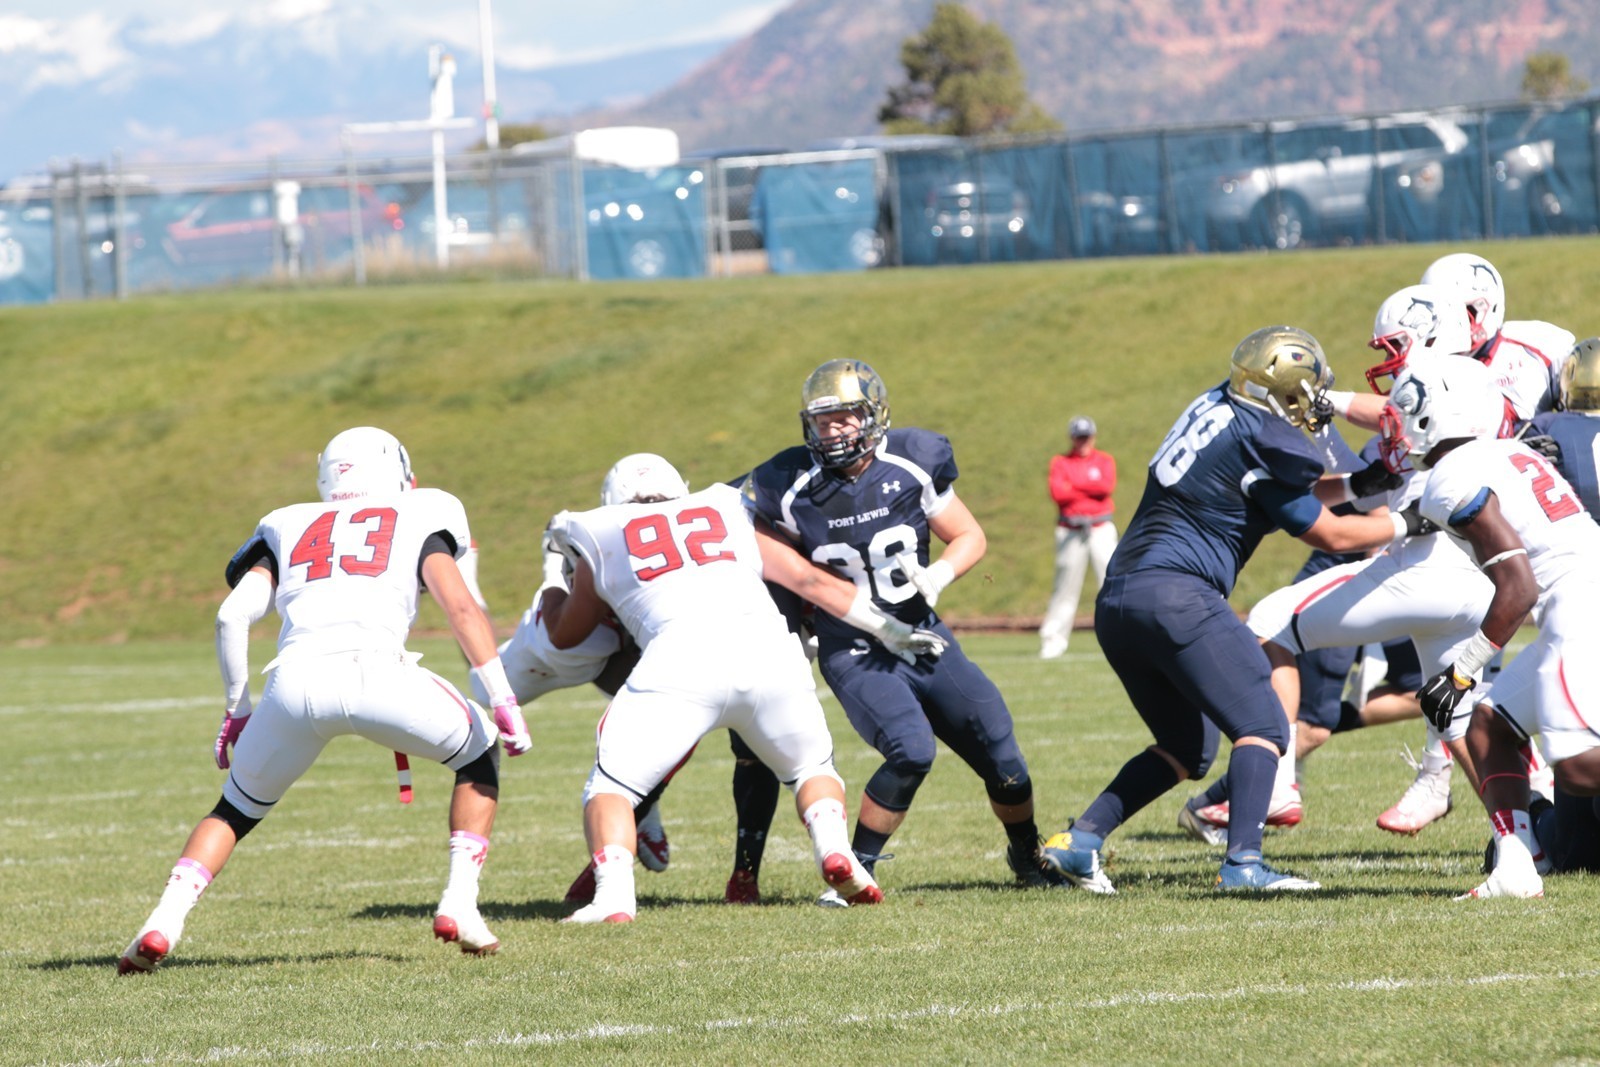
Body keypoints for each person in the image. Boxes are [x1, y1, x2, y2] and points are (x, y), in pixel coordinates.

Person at [118, 427, 530, 974]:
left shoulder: (287, 522)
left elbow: (232, 614)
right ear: (398, 471)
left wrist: (237, 710)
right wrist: (503, 698)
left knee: (234, 810)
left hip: (293, 684)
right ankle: (459, 902)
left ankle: (162, 922)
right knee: (478, 755)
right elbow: (461, 608)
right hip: (378, 675)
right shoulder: (423, 511)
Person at [1042, 326, 1429, 893]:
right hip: (1179, 593)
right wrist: (1409, 521)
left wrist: (1358, 483)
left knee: (1187, 745)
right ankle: (1243, 864)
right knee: (1266, 723)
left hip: (1121, 600)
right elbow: (1332, 536)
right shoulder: (1263, 439)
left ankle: (1080, 842)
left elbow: (1272, 494)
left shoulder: (1218, 408)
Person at [541, 453, 947, 923]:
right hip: (769, 651)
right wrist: (890, 630)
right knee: (810, 767)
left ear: (612, 501)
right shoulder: (724, 507)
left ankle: (613, 896)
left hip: (681, 661)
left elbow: (564, 634)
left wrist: (554, 571)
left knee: (611, 786)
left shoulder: (603, 531)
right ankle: (834, 850)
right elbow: (809, 580)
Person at [744, 359, 1070, 895]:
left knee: (1002, 753)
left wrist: (941, 572)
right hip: (853, 648)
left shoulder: (913, 461)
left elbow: (968, 535)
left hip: (923, 635)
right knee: (911, 749)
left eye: (846, 418)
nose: (834, 431)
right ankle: (856, 870)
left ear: (873, 415)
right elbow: (767, 558)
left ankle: (1026, 856)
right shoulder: (786, 483)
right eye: (824, 421)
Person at [1384, 356, 1600, 899]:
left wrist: (1459, 672)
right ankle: (1515, 866)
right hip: (1578, 597)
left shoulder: (1449, 478)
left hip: (1580, 601)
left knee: (1576, 767)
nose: (1395, 420)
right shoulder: (1510, 451)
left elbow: (1518, 587)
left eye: (1404, 408)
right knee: (1490, 724)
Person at [1039, 415, 1118, 660]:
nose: (1082, 441)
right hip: (1071, 530)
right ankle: (1053, 640)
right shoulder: (1061, 462)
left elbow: (1106, 487)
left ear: (1093, 437)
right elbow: (1058, 493)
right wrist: (1087, 487)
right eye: (1078, 437)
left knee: (1112, 584)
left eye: (1086, 436)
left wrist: (1074, 486)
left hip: (1100, 528)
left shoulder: (1104, 460)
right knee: (1064, 588)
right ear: (1072, 438)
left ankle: (1121, 637)